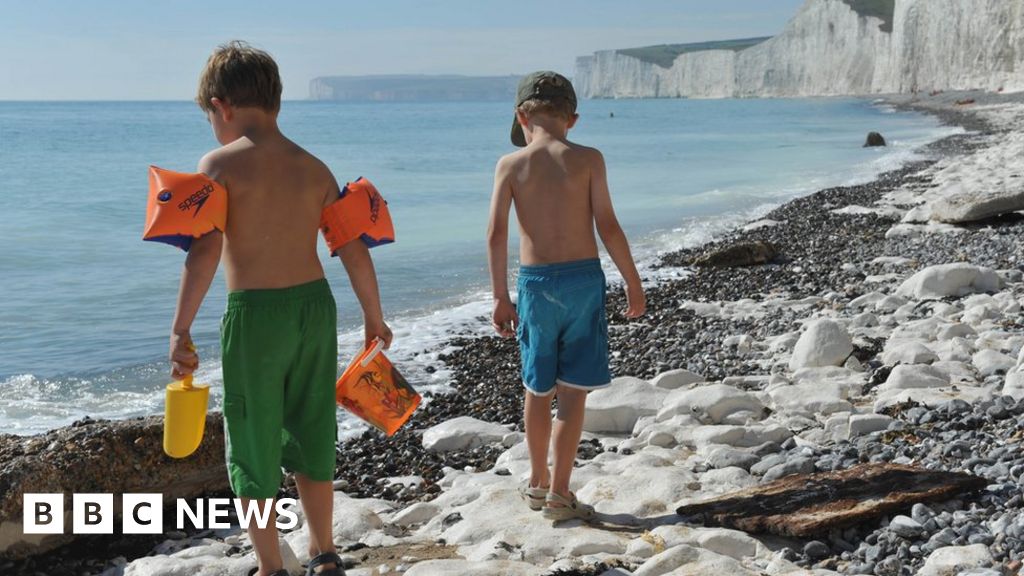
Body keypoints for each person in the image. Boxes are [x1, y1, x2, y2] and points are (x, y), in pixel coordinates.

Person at [168, 41, 392, 576]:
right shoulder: (314, 168)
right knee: (312, 427)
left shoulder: (218, 165)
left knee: (252, 440)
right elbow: (352, 249)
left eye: (210, 117)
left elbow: (204, 254)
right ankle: (323, 551)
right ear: (276, 102)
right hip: (315, 309)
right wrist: (374, 316)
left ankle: (270, 566)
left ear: (221, 107)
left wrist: (180, 329)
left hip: (255, 318)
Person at [487, 71, 646, 521]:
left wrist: (501, 296)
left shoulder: (510, 164)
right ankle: (560, 492)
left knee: (538, 390)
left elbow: (496, 234)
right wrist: (632, 281)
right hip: (583, 282)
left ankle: (536, 482)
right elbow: (607, 226)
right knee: (573, 394)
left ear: (521, 116)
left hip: (536, 285)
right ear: (572, 119)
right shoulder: (590, 159)